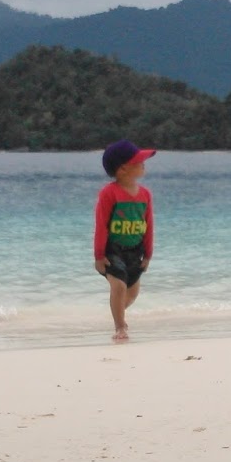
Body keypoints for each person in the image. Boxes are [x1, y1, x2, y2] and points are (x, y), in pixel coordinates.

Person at [93, 140, 157, 342]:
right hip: (113, 250)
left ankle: (117, 311)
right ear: (122, 169)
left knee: (132, 293)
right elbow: (101, 225)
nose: (143, 164)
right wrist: (99, 256)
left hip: (135, 250)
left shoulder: (145, 194)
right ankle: (120, 327)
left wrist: (148, 254)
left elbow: (149, 225)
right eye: (138, 161)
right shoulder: (109, 193)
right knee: (119, 286)